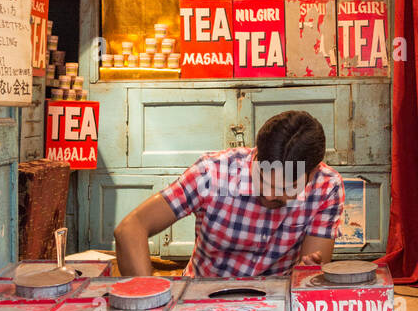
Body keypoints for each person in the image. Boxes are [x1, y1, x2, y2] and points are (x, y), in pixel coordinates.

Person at [113, 110, 345, 279]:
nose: (270, 195)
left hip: (274, 303)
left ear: (313, 173)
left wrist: (311, 271)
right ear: (256, 155)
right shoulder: (212, 173)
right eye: (262, 179)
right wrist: (147, 301)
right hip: (201, 301)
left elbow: (311, 274)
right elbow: (130, 228)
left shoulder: (327, 187)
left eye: (286, 189)